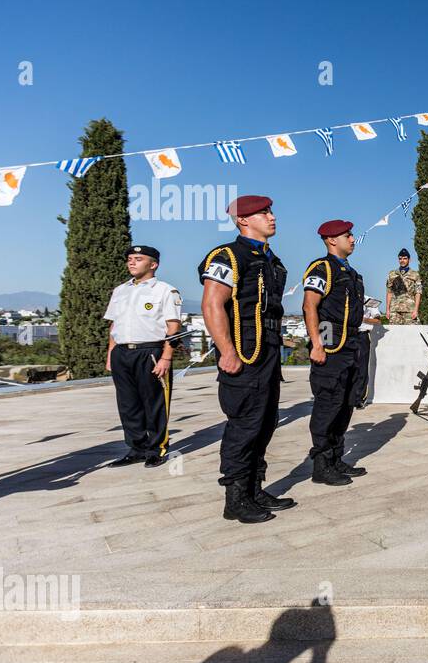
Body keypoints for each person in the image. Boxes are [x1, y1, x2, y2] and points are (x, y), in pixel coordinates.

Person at [198, 195, 295, 523]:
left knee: (266, 421)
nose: (271, 216)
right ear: (242, 220)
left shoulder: (272, 260)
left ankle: (254, 488)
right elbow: (212, 304)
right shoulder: (228, 255)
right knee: (244, 423)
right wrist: (227, 351)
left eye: (271, 210)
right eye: (263, 212)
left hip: (267, 353)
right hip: (243, 351)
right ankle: (235, 498)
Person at [303, 220, 369, 486]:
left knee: (346, 403)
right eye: (347, 235)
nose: (353, 239)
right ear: (332, 240)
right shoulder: (322, 268)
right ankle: (321, 464)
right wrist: (317, 344)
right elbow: (310, 306)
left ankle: (335, 458)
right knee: (328, 404)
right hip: (331, 342)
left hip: (352, 344)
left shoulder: (352, 273)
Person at [103, 245, 182, 468]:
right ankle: (136, 447)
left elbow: (173, 325)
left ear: (153, 264)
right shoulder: (120, 290)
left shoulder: (165, 291)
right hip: (122, 352)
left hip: (150, 352)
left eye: (138, 259)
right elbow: (114, 324)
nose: (131, 262)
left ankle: (157, 449)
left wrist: (167, 357)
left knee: (154, 402)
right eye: (129, 258)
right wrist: (111, 355)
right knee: (128, 404)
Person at [352, 295, 380, 410]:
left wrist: (362, 319)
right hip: (347, 335)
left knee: (362, 368)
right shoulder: (345, 297)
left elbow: (377, 320)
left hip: (362, 335)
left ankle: (359, 399)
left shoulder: (368, 300)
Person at [385, 249, 421, 326]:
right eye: (400, 258)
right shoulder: (392, 274)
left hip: (410, 310)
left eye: (405, 258)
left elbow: (418, 293)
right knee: (394, 334)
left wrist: (416, 310)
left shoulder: (415, 274)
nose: (402, 260)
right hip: (395, 310)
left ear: (409, 260)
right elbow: (389, 292)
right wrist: (387, 310)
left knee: (412, 334)